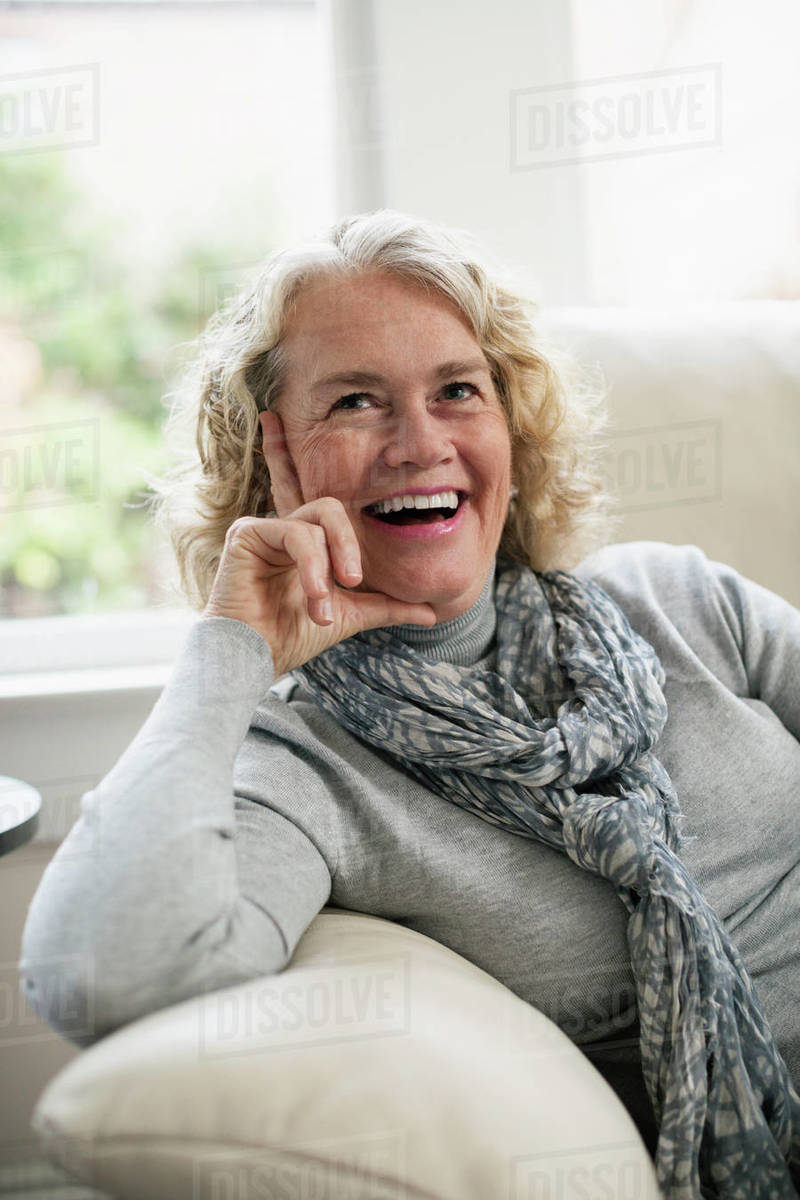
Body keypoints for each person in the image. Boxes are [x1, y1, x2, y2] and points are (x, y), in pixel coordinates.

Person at [20, 211, 800, 1199]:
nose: (418, 443)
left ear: (509, 428)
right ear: (272, 462)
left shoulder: (678, 599)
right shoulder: (306, 767)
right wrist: (228, 650)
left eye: (457, 391)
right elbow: (100, 974)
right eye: (354, 402)